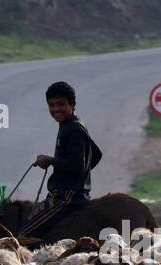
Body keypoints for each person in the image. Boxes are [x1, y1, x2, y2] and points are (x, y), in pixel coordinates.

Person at [19, 81, 102, 243]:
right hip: (70, 192)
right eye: (52, 105)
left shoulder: (73, 128)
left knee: (24, 234)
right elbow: (96, 154)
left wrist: (51, 161)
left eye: (61, 104)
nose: (56, 109)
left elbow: (77, 165)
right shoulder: (70, 124)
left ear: (72, 104)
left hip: (68, 196)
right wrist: (81, 175)